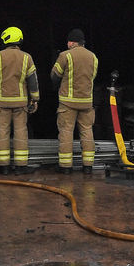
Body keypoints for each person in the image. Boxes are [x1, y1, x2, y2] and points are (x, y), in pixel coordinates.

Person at [0, 26, 39, 173]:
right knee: (21, 132)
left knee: (2, 132)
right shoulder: (27, 58)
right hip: (20, 103)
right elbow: (32, 81)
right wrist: (34, 99)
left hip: (2, 103)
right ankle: (21, 166)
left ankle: (4, 167)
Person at [51, 28, 99, 174]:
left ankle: (66, 167)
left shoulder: (65, 55)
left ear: (71, 42)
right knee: (87, 131)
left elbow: (55, 75)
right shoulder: (93, 57)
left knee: (66, 132)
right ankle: (88, 166)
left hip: (68, 103)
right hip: (86, 102)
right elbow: (92, 77)